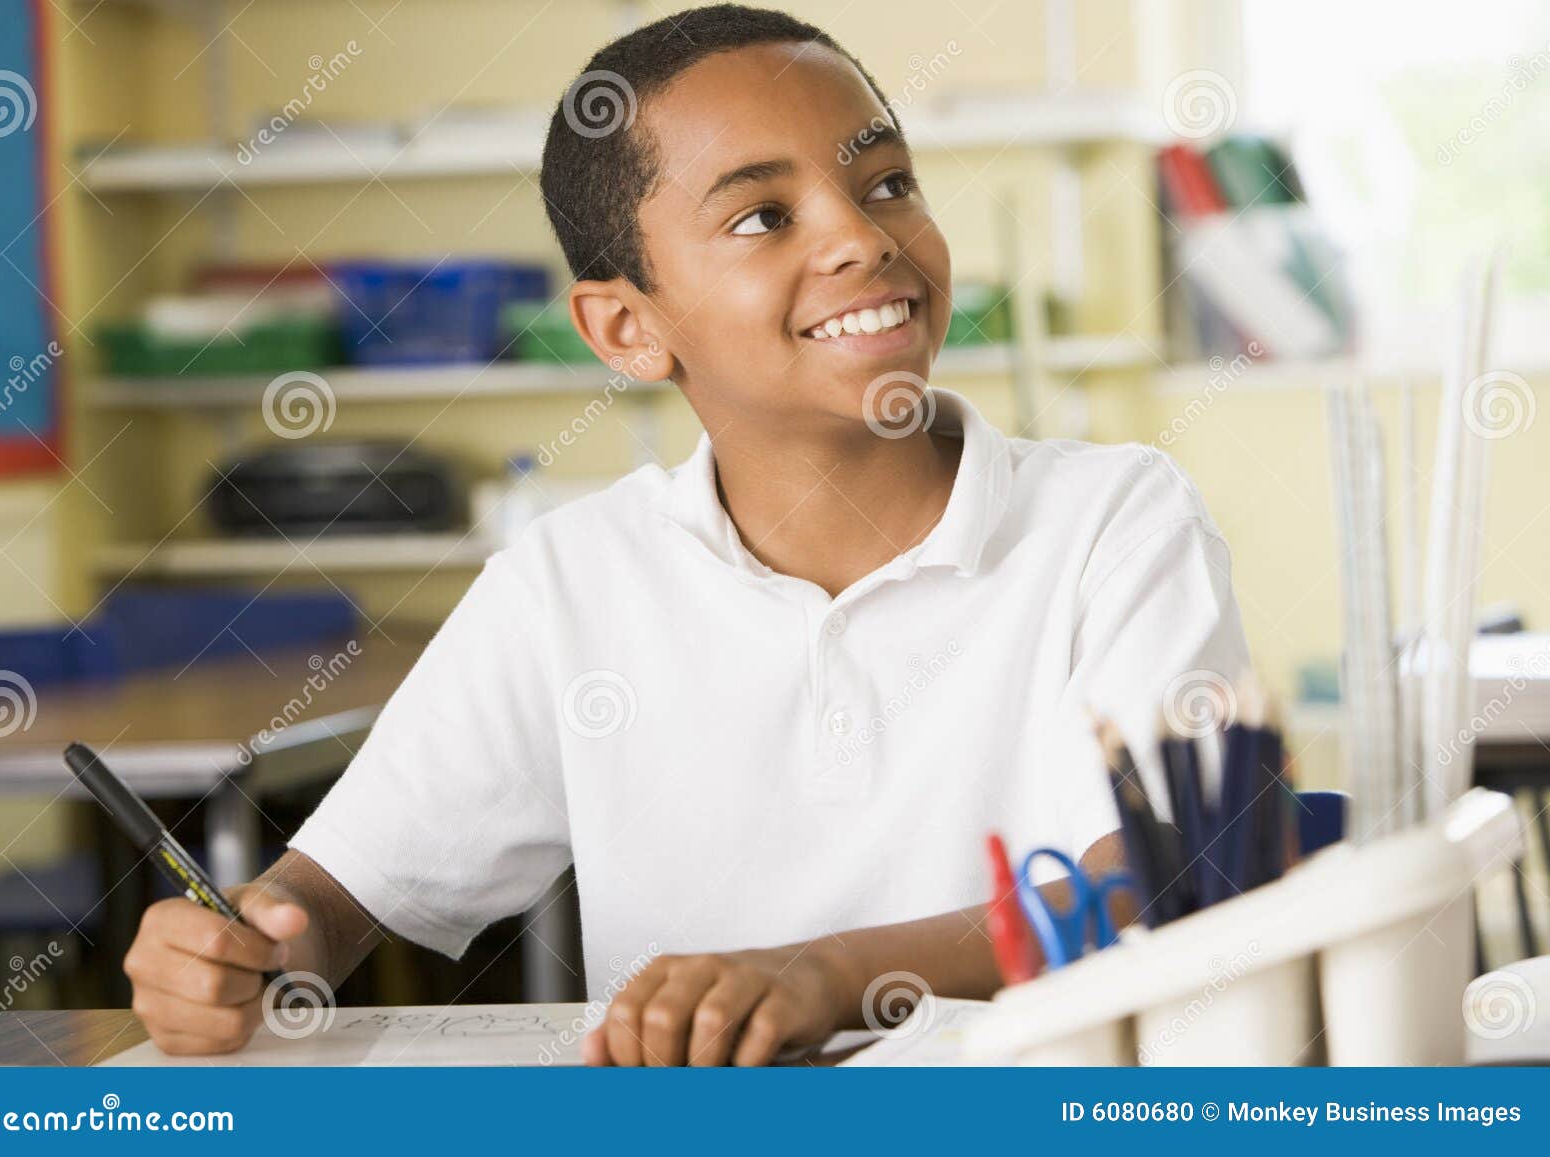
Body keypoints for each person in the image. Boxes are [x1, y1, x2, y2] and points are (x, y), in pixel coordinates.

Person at [123, 4, 1247, 1065]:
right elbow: (332, 900)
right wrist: (245, 951)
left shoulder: (1113, 519)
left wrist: (831, 976)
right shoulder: (569, 583)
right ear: (627, 327)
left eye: (887, 180)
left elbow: (1166, 871)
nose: (861, 235)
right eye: (764, 215)